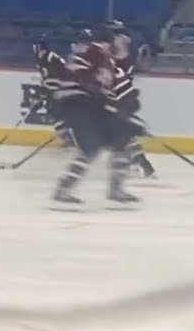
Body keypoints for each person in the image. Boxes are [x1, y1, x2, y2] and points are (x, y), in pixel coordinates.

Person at [50, 28, 140, 206]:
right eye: (121, 42)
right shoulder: (93, 53)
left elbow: (111, 93)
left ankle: (115, 189)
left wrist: (124, 116)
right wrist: (96, 93)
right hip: (78, 105)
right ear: (111, 41)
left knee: (123, 137)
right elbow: (80, 80)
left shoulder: (108, 62)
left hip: (90, 107)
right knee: (91, 145)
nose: (123, 47)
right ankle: (64, 188)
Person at [105, 19, 156, 178]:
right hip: (123, 91)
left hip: (117, 94)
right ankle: (138, 164)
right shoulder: (126, 43)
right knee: (122, 133)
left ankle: (138, 164)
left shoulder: (118, 44)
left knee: (121, 133)